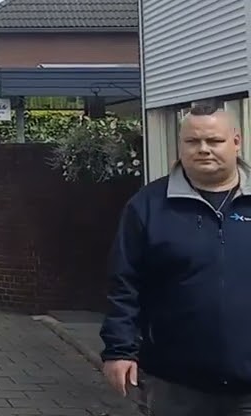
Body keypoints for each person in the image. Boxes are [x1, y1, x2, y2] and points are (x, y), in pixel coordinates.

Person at [101, 105, 251, 414]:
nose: (204, 149)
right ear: (180, 145)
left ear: (236, 142)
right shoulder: (148, 206)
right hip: (175, 382)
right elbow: (124, 284)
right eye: (192, 142)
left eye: (214, 141)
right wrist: (119, 350)